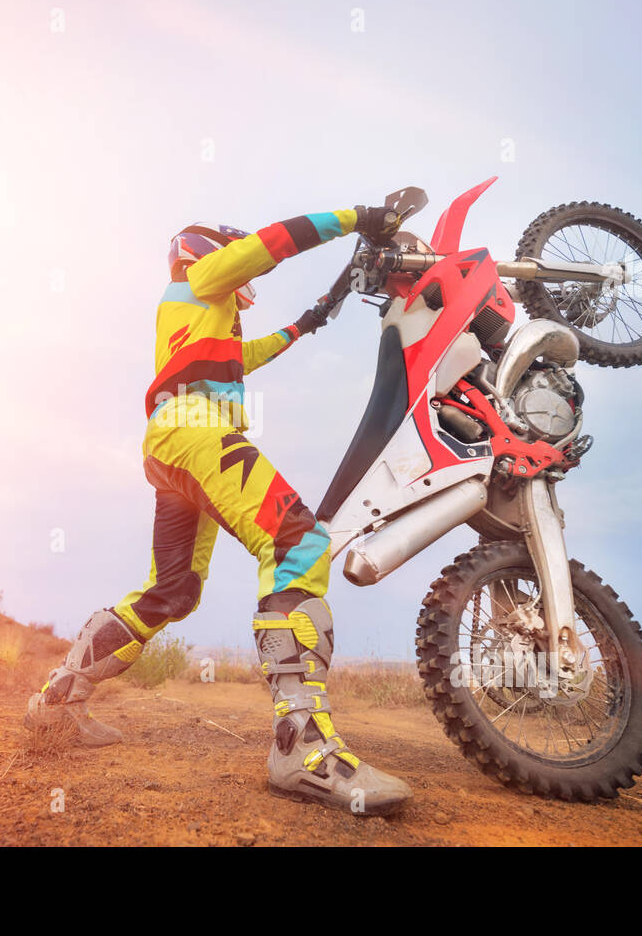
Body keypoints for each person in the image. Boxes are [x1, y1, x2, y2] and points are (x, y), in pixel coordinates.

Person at [25, 205, 413, 814]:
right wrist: (357, 216)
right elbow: (270, 244)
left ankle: (57, 700)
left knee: (174, 591)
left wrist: (306, 324)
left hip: (172, 442)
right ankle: (301, 748)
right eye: (234, 263)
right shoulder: (199, 279)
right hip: (198, 433)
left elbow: (243, 358)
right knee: (300, 541)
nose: (247, 287)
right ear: (205, 250)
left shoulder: (198, 317)